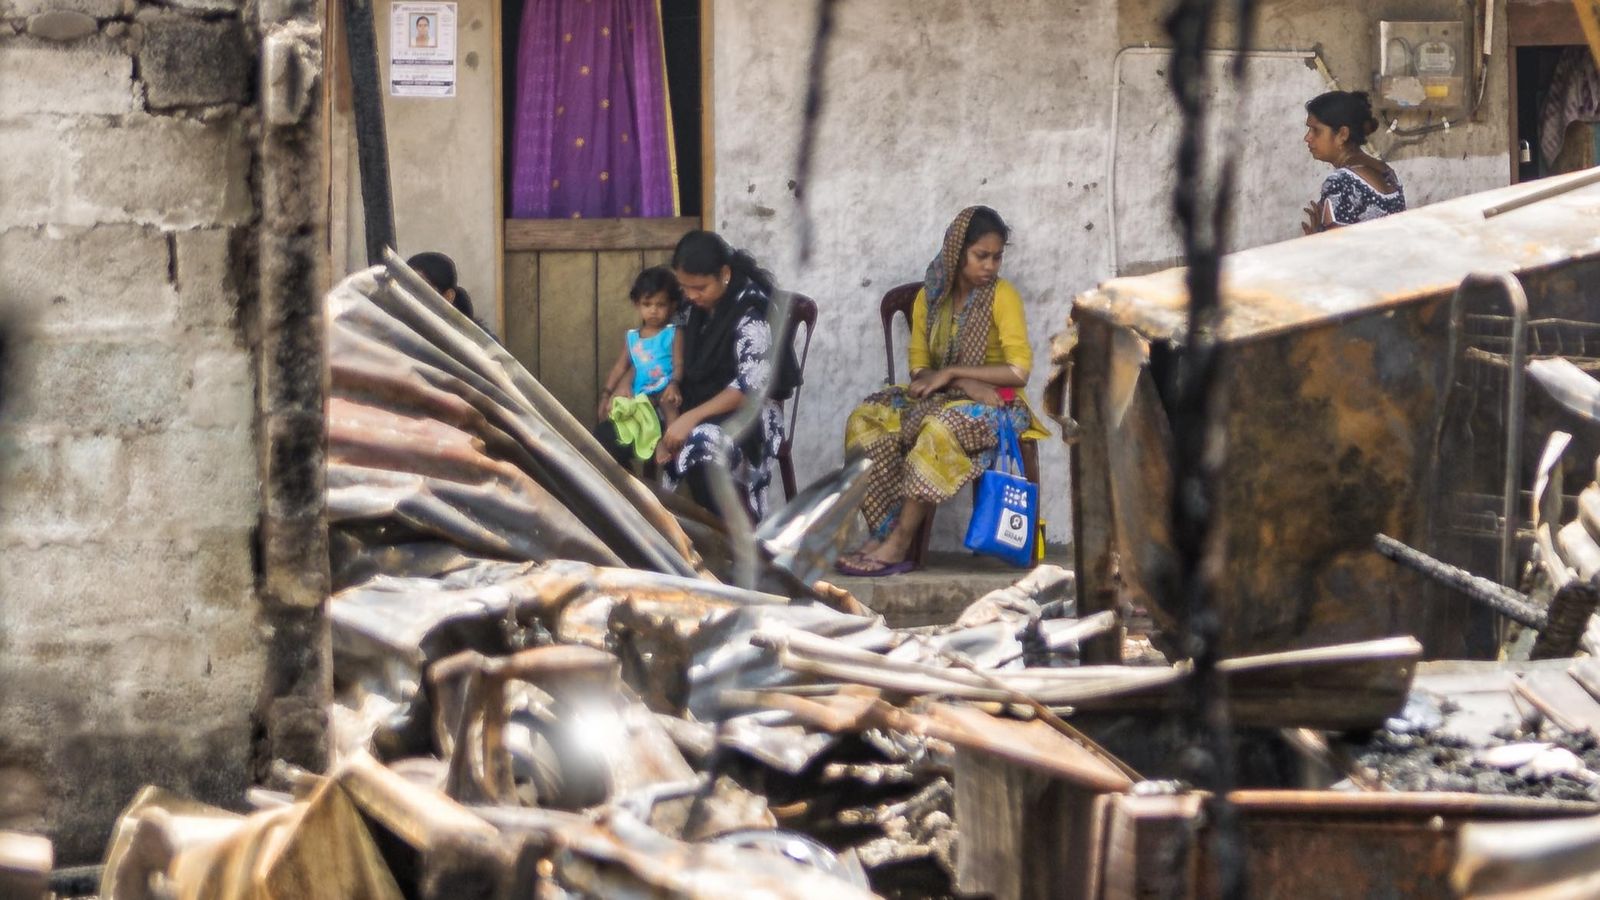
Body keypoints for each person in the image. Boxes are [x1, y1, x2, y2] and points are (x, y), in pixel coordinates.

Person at [836, 206, 1048, 577]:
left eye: (997, 257)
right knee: (866, 419)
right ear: (956, 251)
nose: (991, 266)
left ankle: (901, 541)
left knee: (939, 429)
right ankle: (883, 530)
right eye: (981, 256)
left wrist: (951, 372)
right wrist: (961, 381)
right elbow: (919, 366)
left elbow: (1018, 371)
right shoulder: (929, 299)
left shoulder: (1003, 297)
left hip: (1000, 405)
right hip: (945, 395)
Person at [657, 230, 797, 521]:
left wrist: (689, 418)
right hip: (699, 399)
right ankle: (658, 534)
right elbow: (679, 340)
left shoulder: (752, 310)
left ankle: (733, 534)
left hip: (751, 411)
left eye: (700, 287)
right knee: (630, 428)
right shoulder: (690, 303)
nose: (691, 295)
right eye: (685, 287)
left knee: (703, 443)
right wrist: (673, 411)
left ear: (725, 274)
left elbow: (749, 387)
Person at [594, 266, 682, 466]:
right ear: (637, 304)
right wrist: (607, 393)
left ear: (672, 306)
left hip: (664, 385)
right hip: (640, 392)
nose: (653, 310)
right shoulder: (633, 337)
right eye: (647, 304)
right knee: (631, 410)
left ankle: (675, 445)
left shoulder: (673, 333)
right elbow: (620, 367)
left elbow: (678, 362)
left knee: (669, 406)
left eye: (661, 305)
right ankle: (657, 443)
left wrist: (675, 383)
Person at [1301, 90, 1406, 234]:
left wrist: (1315, 236)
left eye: (1316, 131)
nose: (1307, 137)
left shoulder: (1341, 181)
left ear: (1342, 134)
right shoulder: (1386, 171)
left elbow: (1335, 250)